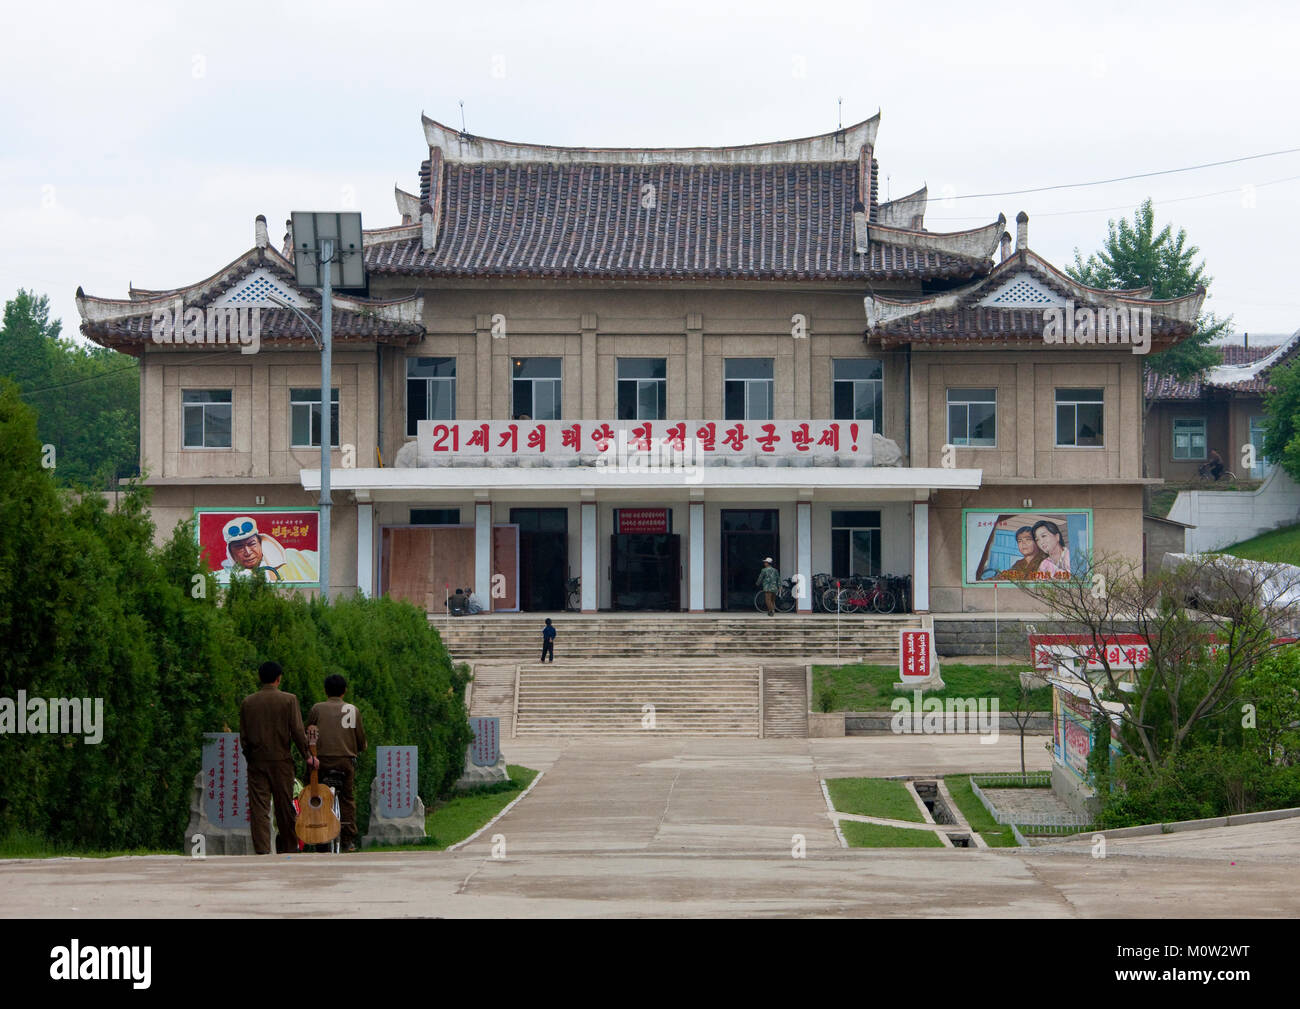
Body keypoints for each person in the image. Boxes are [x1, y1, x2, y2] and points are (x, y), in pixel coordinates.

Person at [239, 661, 315, 855]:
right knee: (284, 807)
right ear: (278, 678)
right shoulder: (289, 700)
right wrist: (307, 755)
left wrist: (251, 757)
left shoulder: (248, 702)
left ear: (260, 678)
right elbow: (298, 732)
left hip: (257, 761)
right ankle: (290, 847)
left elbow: (244, 737)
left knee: (259, 809)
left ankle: (262, 850)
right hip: (281, 761)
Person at [307, 674, 367, 852]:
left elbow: (308, 732)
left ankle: (315, 831)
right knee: (347, 798)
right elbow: (360, 740)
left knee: (313, 793)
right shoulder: (352, 709)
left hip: (321, 762)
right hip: (345, 762)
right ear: (344, 691)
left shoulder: (317, 709)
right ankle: (348, 839)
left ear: (325, 691)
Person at [223, 516, 319, 583]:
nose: (248, 552)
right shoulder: (224, 576)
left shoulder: (293, 559)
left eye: (252, 544)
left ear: (261, 543)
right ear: (231, 553)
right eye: (239, 547)